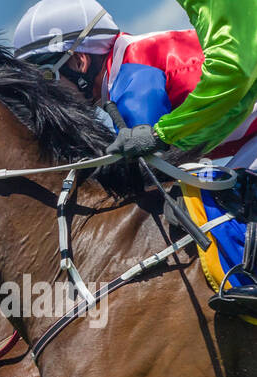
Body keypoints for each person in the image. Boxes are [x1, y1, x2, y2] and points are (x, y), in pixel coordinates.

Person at [14, 0, 257, 312]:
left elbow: (142, 172)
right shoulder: (129, 63)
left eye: (44, 80)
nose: (43, 99)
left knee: (226, 200)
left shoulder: (132, 80)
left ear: (77, 62)